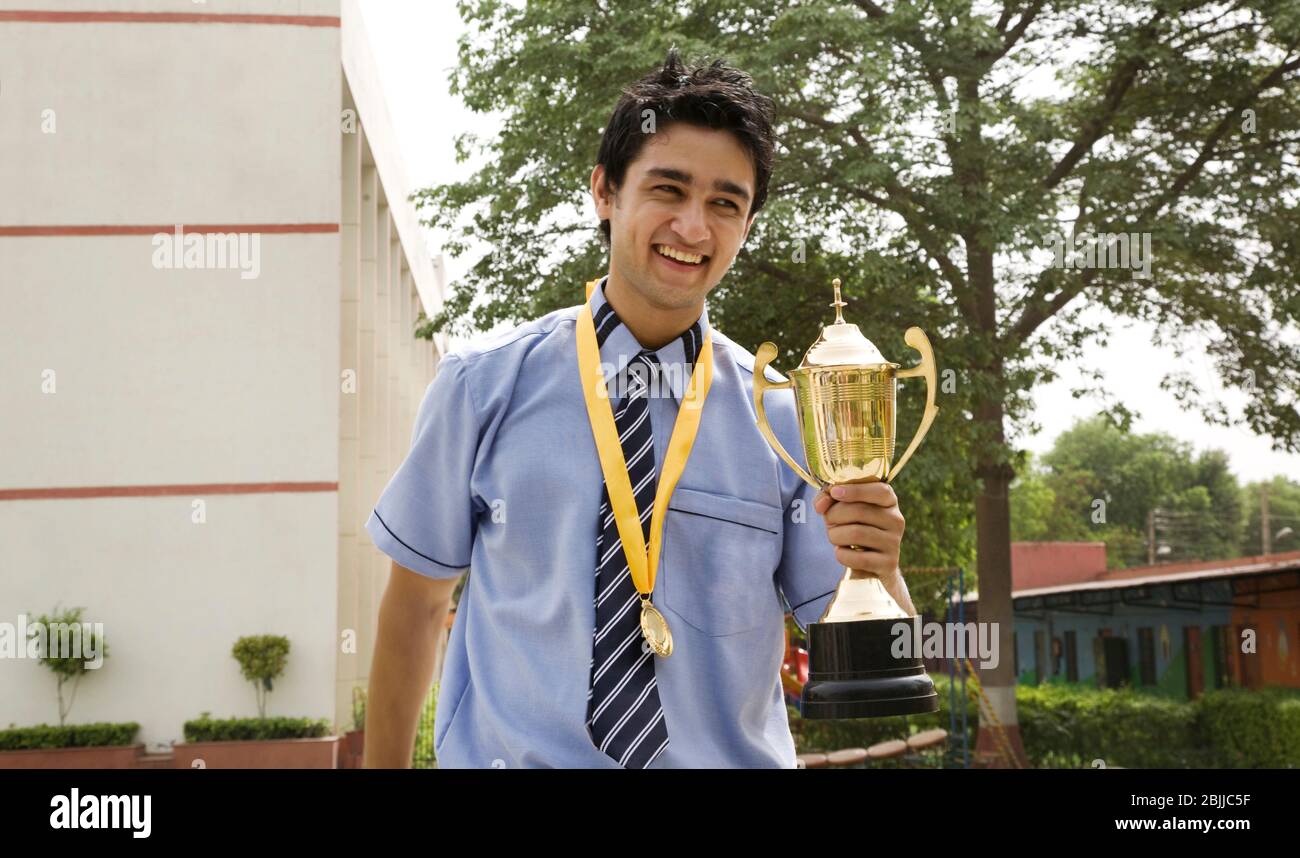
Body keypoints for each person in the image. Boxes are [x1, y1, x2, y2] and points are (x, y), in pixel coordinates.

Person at [363, 48, 913, 769]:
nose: (693, 227)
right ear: (604, 191)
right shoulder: (482, 388)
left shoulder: (784, 417)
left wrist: (882, 568)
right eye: (668, 189)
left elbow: (849, 643)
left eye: (726, 203)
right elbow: (416, 609)